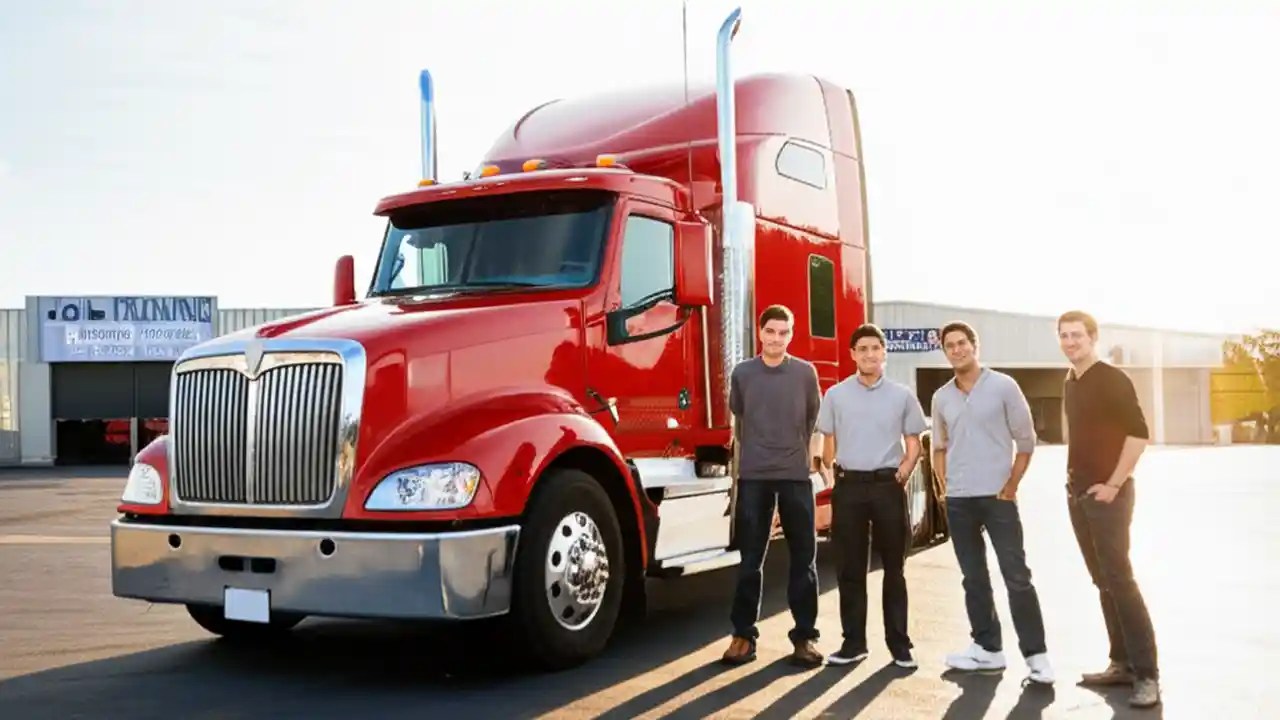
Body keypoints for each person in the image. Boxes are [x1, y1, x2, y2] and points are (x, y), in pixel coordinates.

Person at [931, 321, 1054, 685]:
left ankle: (1037, 656)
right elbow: (939, 447)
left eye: (962, 343)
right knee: (973, 578)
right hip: (959, 500)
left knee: (1017, 576)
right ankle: (987, 649)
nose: (957, 349)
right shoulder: (941, 397)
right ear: (945, 351)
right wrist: (943, 488)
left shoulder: (1003, 386)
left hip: (998, 499)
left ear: (975, 346)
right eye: (950, 345)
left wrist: (1012, 485)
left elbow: (1026, 442)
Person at [1058, 310, 1160, 709]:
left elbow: (1138, 435)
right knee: (1103, 581)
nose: (1070, 342)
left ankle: (1147, 675)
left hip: (1108, 497)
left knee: (1120, 580)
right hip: (1078, 494)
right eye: (1064, 336)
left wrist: (1113, 485)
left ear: (1093, 337)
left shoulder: (1113, 379)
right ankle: (1121, 663)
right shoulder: (1071, 381)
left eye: (1077, 335)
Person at [817, 322, 926, 668]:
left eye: (875, 348)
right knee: (849, 570)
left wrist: (904, 472)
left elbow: (915, 443)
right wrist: (829, 471)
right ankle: (853, 644)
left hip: (886, 487)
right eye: (862, 349)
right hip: (848, 488)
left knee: (894, 568)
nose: (868, 354)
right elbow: (826, 438)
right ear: (852, 355)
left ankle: (899, 645)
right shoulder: (835, 395)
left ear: (884, 353)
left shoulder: (902, 395)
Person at [721, 304, 825, 668]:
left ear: (791, 335)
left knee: (804, 560)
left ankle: (805, 638)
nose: (777, 339)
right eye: (771, 332)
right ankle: (743, 636)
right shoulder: (743, 374)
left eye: (784, 332)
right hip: (754, 476)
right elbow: (740, 417)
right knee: (750, 559)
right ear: (760, 332)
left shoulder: (805, 374)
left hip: (796, 476)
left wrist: (804, 457)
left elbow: (812, 418)